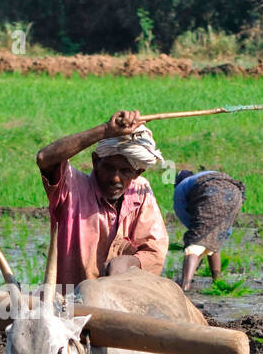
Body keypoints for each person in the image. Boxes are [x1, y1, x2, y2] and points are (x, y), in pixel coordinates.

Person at [35, 109, 169, 289]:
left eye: (125, 171)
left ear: (138, 172)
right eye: (109, 167)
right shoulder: (72, 188)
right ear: (95, 161)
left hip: (120, 301)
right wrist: (106, 130)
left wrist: (130, 263)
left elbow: (154, 249)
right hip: (69, 302)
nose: (115, 178)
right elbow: (45, 158)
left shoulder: (140, 191)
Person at [172, 168, 246, 289]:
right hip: (236, 193)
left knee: (194, 242)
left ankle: (185, 286)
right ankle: (217, 281)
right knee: (214, 239)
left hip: (212, 192)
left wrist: (196, 236)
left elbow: (184, 215)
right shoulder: (198, 178)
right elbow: (222, 230)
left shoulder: (181, 187)